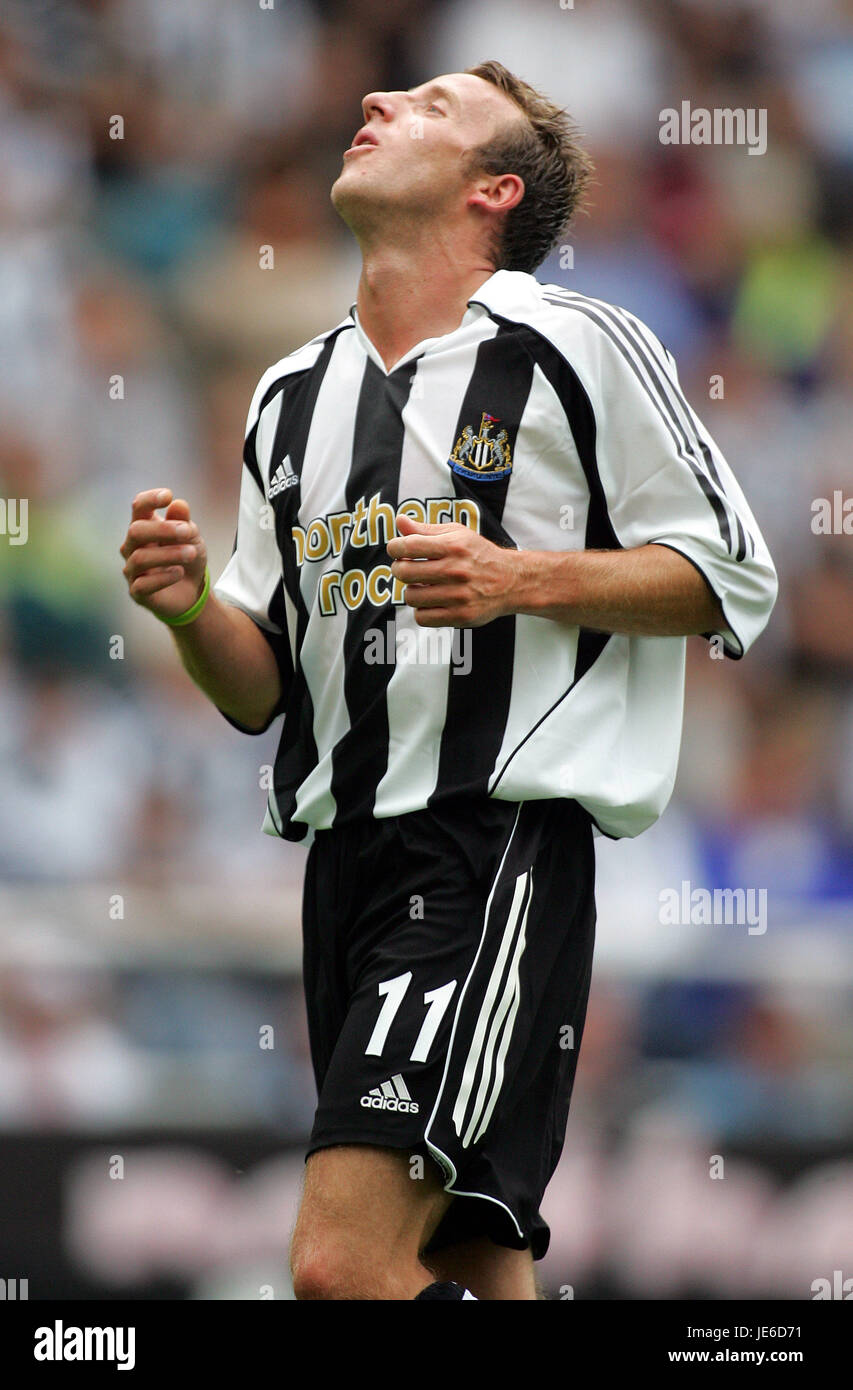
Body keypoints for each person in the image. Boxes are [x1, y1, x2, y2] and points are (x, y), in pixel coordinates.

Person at [119, 61, 778, 1300]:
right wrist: (190, 606)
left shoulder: (574, 341)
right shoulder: (287, 395)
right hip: (346, 865)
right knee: (469, 1262)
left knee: (337, 1264)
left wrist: (517, 580)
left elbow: (732, 577)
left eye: (428, 109)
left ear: (493, 190)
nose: (379, 108)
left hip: (490, 849)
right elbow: (259, 691)